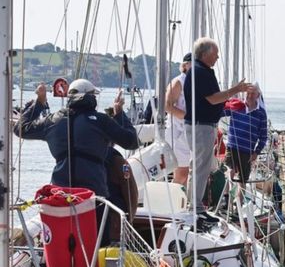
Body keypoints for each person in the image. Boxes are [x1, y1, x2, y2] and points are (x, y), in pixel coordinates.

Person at [14, 80, 139, 242]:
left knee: (63, 242)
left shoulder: (53, 121)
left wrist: (39, 103)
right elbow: (132, 141)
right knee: (97, 244)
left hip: (60, 196)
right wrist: (119, 114)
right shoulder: (101, 121)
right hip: (94, 197)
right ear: (90, 97)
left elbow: (20, 128)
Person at [184, 37, 252, 222]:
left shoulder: (199, 71)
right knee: (201, 166)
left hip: (200, 124)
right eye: (215, 54)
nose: (218, 57)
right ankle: (196, 208)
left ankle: (194, 204)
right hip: (201, 126)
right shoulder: (200, 71)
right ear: (205, 54)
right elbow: (213, 98)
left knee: (198, 166)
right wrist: (235, 89)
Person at [223, 84, 268, 185]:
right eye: (248, 93)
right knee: (230, 170)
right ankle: (227, 199)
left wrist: (256, 152)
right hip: (232, 147)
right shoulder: (237, 106)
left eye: (253, 93)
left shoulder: (261, 113)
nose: (250, 96)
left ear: (258, 95)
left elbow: (263, 137)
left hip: (248, 151)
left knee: (243, 179)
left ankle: (240, 200)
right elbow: (219, 112)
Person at [165, 53, 192, 186]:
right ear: (186, 65)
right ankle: (174, 203)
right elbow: (166, 106)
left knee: (189, 173)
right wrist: (187, 116)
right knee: (182, 173)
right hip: (177, 132)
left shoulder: (195, 83)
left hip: (190, 132)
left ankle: (184, 202)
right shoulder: (178, 82)